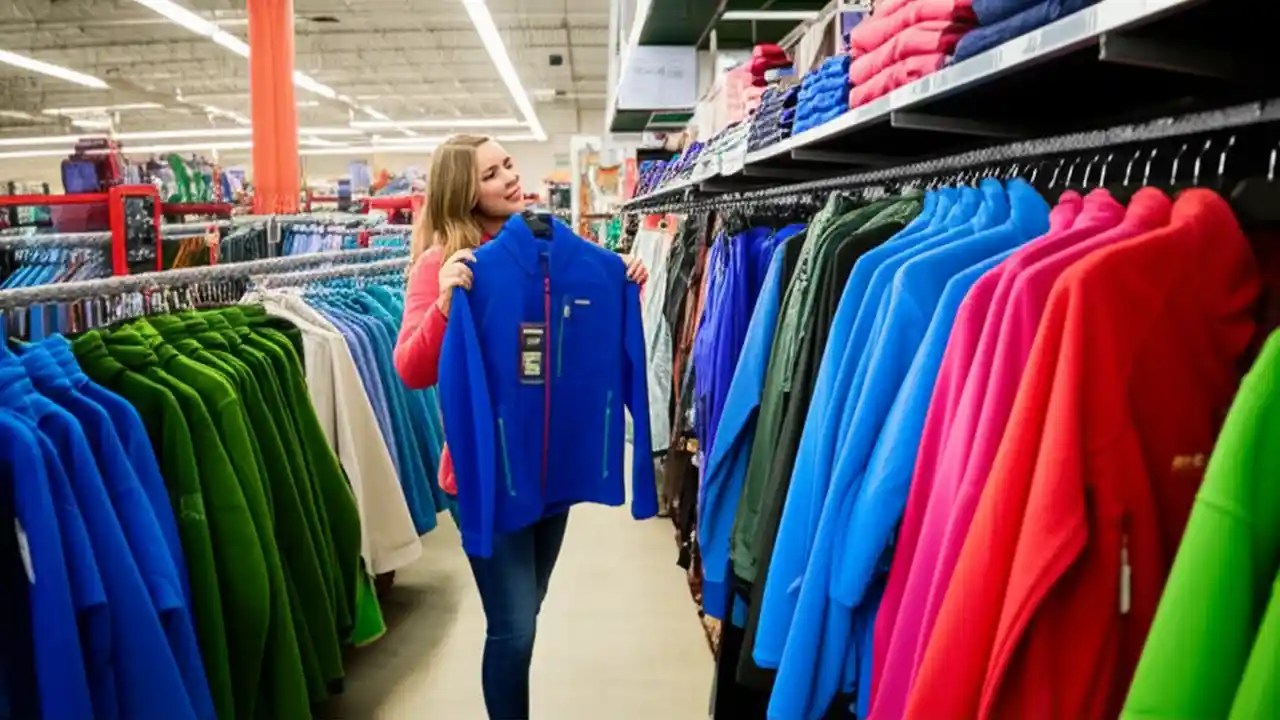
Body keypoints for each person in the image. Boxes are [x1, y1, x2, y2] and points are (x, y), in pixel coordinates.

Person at [393, 134, 648, 719]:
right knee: (513, 628)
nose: (510, 177)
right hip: (486, 475)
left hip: (549, 471)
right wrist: (443, 305)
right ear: (463, 190)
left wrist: (620, 276)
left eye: (509, 164)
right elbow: (410, 367)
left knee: (526, 611)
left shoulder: (546, 254)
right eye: (491, 174)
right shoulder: (445, 264)